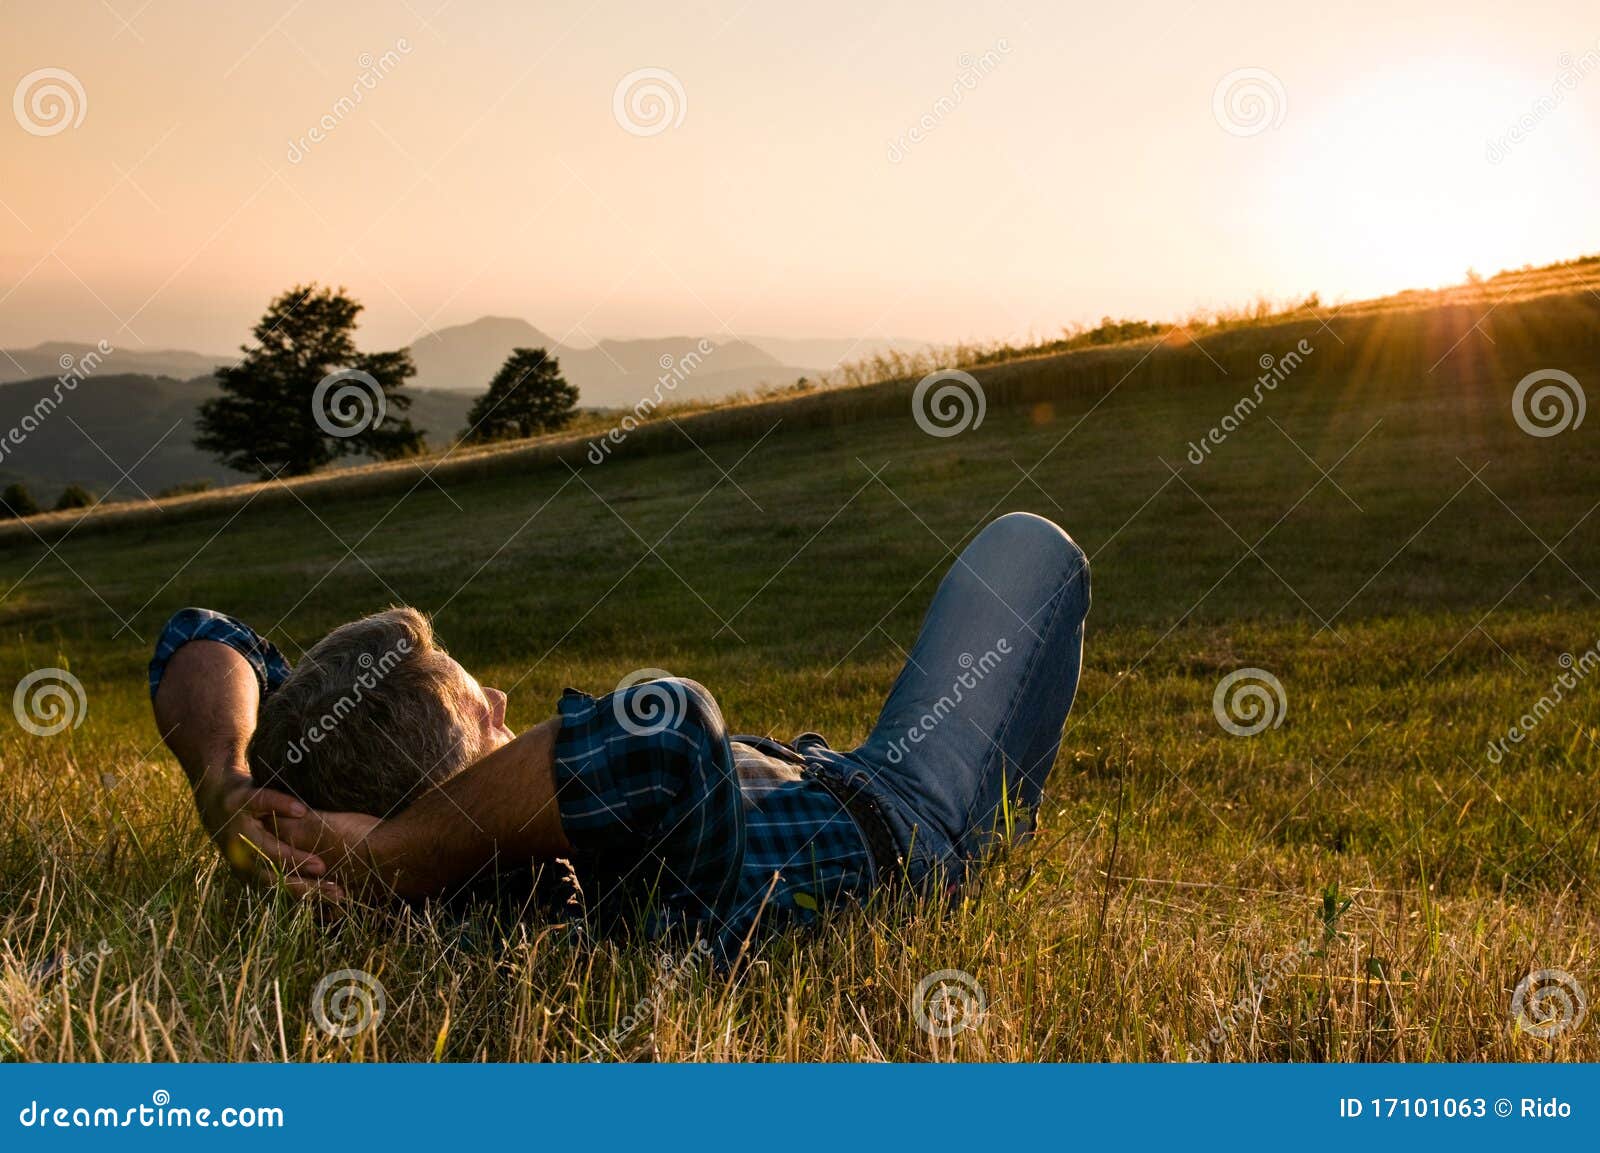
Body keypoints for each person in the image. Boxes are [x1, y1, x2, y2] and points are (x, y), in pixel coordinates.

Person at [151, 512, 1090, 951]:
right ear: (438, 800)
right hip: (910, 817)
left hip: (817, 767)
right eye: (482, 713)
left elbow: (202, 633)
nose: (504, 702)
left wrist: (225, 782)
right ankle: (994, 829)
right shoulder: (578, 887)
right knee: (1031, 549)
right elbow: (665, 723)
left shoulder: (328, 783)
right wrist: (395, 855)